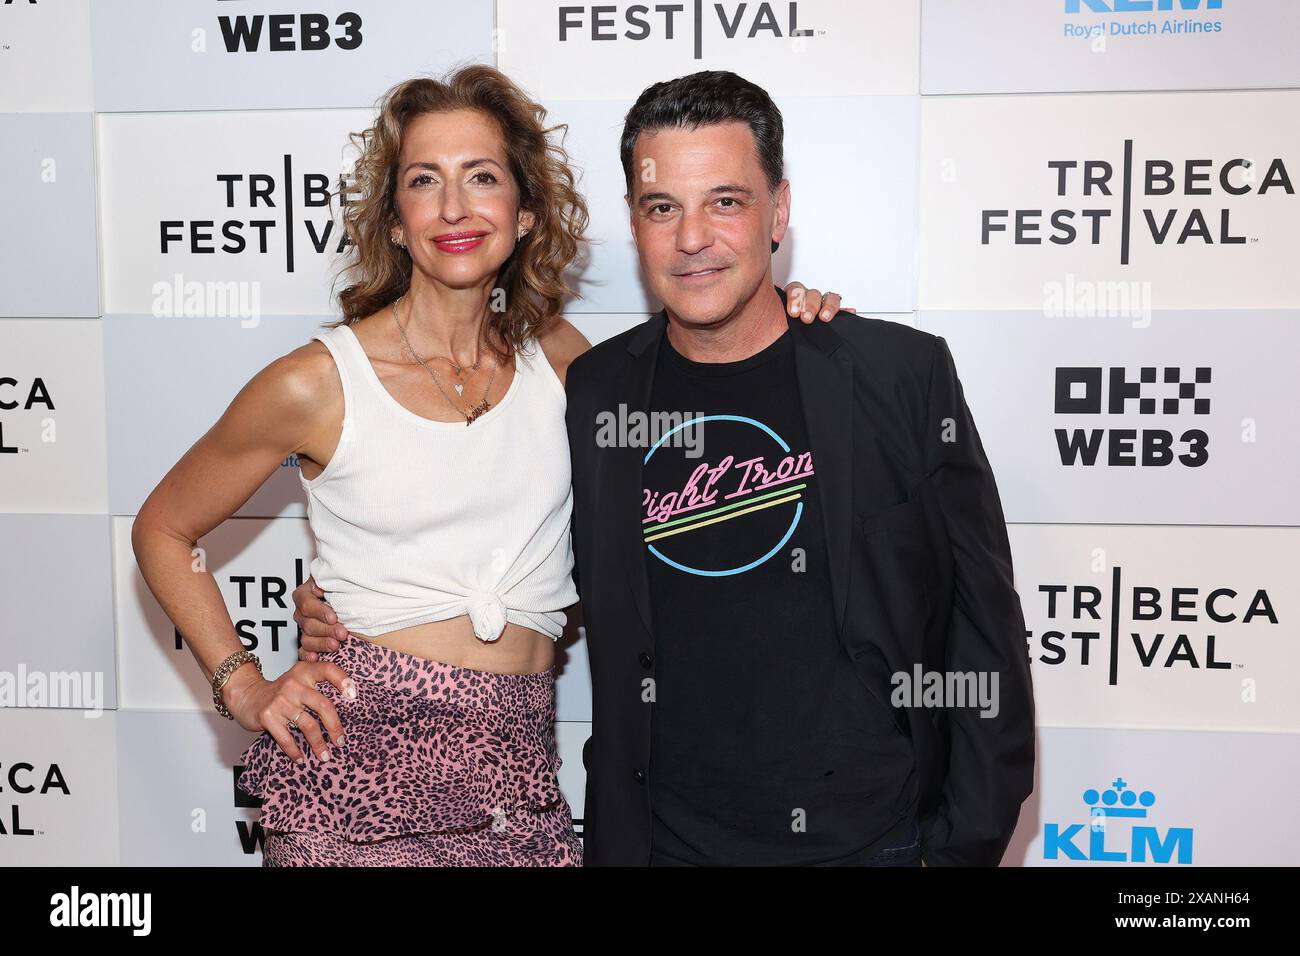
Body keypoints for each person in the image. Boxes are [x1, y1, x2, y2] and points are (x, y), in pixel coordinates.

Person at [133, 64, 843, 866]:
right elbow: (164, 527)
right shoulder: (317, 382)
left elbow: (712, 433)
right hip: (353, 778)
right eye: (423, 181)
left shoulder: (574, 369)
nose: (454, 208)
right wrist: (244, 684)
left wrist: (791, 317)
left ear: (526, 211)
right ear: (395, 221)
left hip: (519, 788)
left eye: (482, 177)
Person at [562, 70, 1037, 866]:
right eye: (661, 207)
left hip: (873, 844)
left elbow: (984, 626)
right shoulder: (596, 389)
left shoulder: (897, 374)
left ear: (777, 210)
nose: (691, 239)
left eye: (725, 201)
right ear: (634, 222)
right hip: (662, 847)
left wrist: (962, 845)